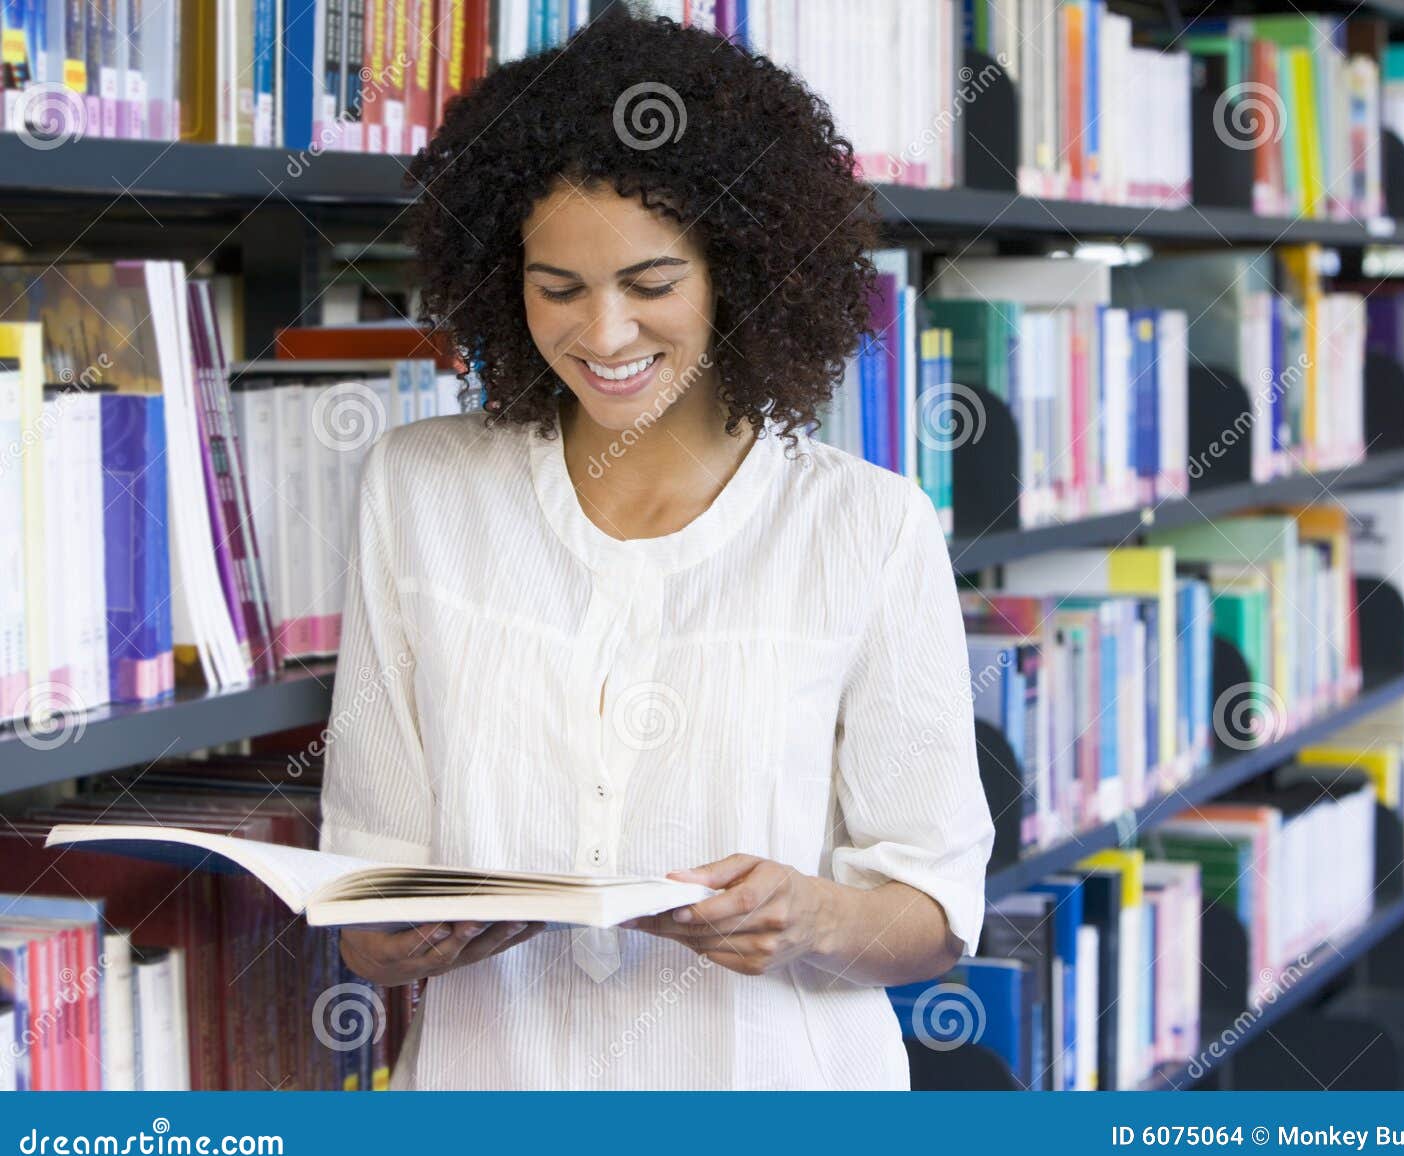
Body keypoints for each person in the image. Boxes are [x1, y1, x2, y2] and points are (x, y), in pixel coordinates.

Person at [319, 9, 994, 1090]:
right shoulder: (419, 489)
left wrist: (810, 915)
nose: (602, 334)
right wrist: (391, 935)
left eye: (649, 285)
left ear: (738, 269)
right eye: (557, 289)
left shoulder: (867, 528)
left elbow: (932, 919)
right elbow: (366, 892)